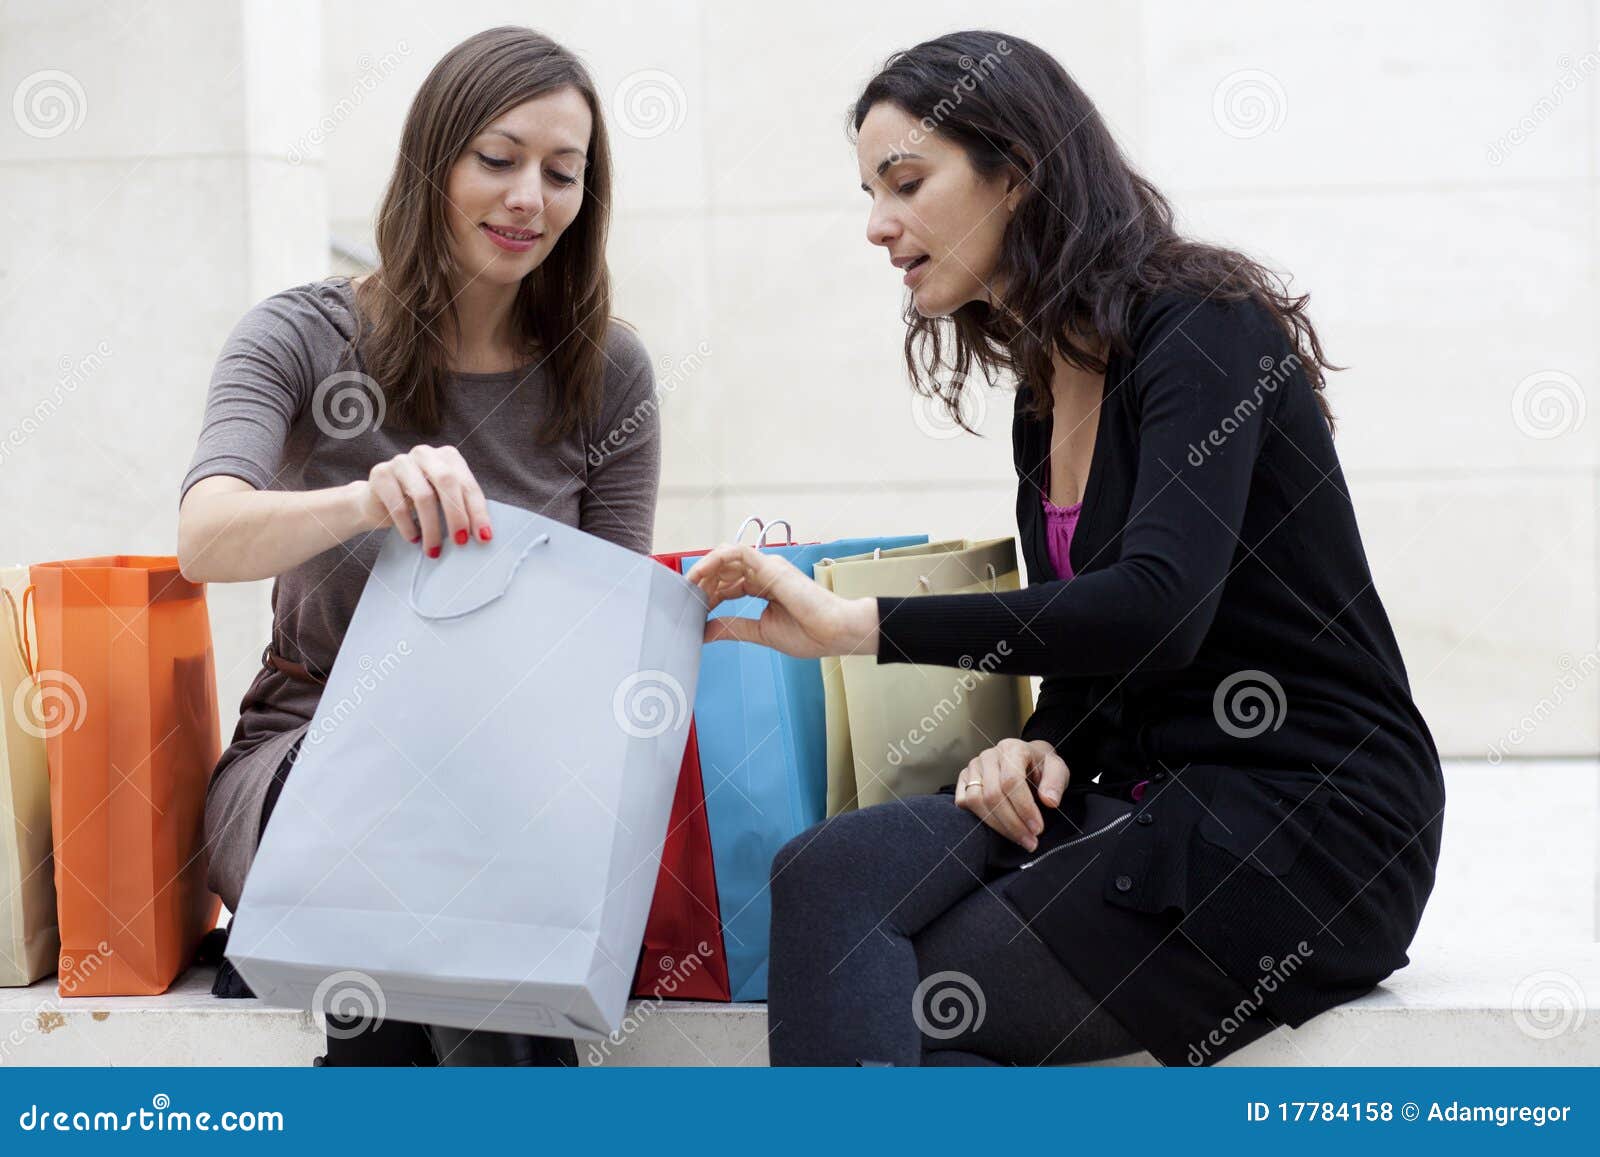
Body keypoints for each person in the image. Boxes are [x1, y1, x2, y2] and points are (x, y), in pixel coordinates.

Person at [685, 30, 1446, 1067]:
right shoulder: (1044, 398)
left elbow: (1160, 605)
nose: (876, 225)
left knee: (916, 994)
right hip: (1136, 787)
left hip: (1300, 814)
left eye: (905, 182)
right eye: (869, 191)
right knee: (825, 872)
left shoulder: (1203, 329)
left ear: (1017, 172)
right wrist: (1044, 739)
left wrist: (854, 626)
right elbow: (1102, 652)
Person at [177, 26, 659, 1066]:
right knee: (434, 842)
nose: (530, 196)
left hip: (513, 787)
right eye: (497, 159)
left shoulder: (607, 372)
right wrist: (364, 499)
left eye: (562, 173)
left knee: (465, 846)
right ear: (431, 164)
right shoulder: (300, 337)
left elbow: (616, 647)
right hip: (305, 766)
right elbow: (206, 537)